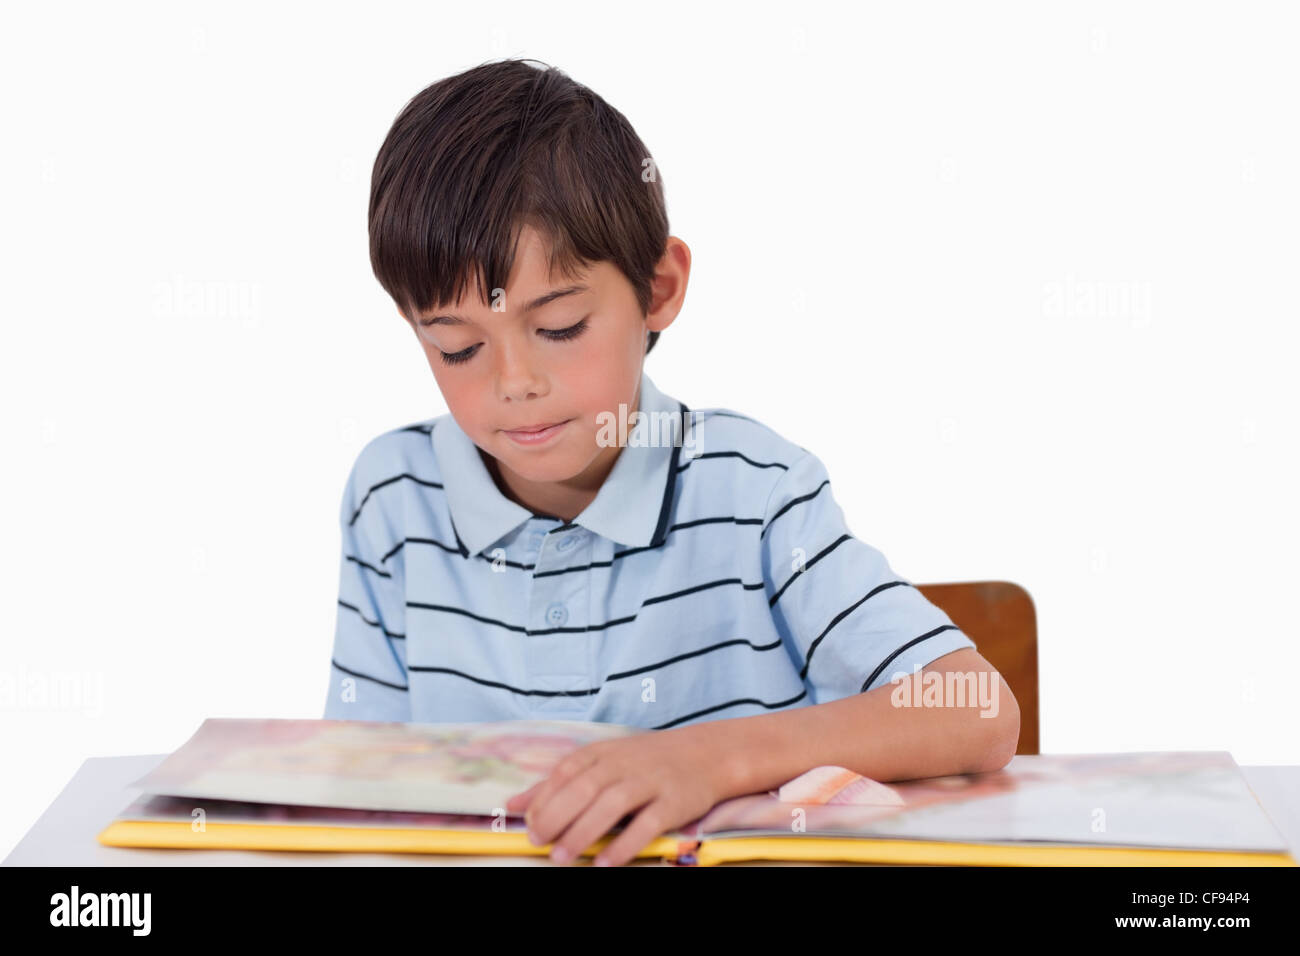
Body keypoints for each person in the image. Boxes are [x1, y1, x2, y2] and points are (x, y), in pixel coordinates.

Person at [324, 57, 1019, 866]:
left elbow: (978, 710)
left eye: (559, 330)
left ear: (658, 290)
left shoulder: (752, 489)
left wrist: (707, 759)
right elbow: (352, 785)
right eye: (458, 346)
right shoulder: (392, 497)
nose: (514, 384)